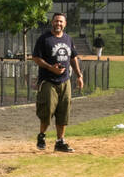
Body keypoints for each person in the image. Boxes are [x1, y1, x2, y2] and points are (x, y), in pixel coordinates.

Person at [30, 12, 84, 152]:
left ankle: (60, 142)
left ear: (65, 24)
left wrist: (79, 75)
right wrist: (50, 68)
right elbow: (35, 57)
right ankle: (42, 136)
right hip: (48, 80)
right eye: (56, 21)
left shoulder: (68, 39)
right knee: (47, 110)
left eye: (61, 21)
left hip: (65, 81)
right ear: (52, 22)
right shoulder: (44, 39)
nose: (58, 24)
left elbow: (73, 58)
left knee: (63, 111)